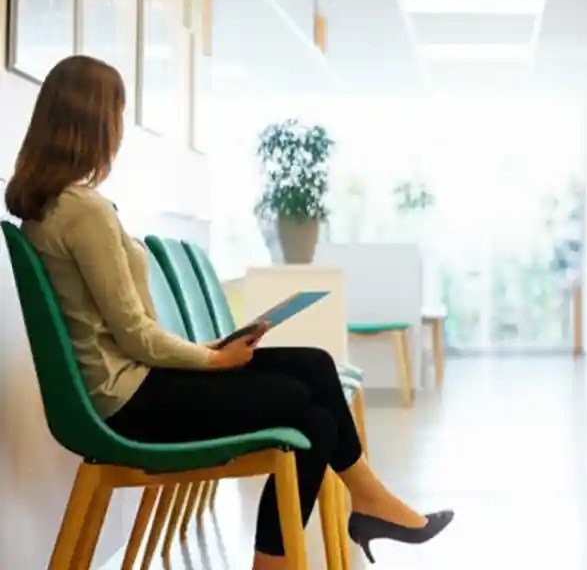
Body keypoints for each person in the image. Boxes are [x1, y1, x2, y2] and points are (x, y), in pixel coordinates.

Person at [5, 56, 452, 568]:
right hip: (131, 400)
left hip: (133, 385)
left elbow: (122, 331)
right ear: (94, 121)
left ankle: (363, 504)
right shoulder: (84, 211)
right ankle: (355, 511)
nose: (120, 131)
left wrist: (207, 352)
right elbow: (132, 334)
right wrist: (213, 360)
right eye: (118, 114)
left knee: (314, 367)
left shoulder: (52, 208)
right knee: (307, 409)